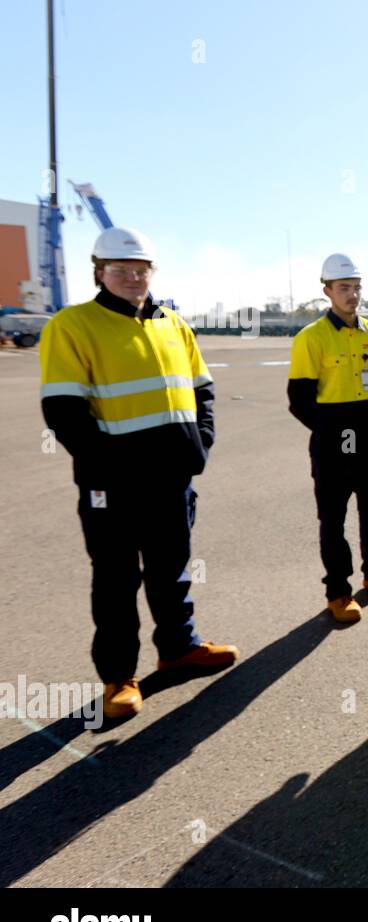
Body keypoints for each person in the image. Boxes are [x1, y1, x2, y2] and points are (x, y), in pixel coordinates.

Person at [40, 227, 238, 720]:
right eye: (121, 270)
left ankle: (178, 649)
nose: (132, 278)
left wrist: (200, 446)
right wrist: (106, 467)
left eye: (140, 270)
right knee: (115, 580)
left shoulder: (173, 324)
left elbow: (202, 391)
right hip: (113, 485)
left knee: (172, 571)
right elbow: (64, 411)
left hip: (172, 479)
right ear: (99, 273)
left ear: (152, 273)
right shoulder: (73, 325)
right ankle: (118, 678)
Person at [288, 253, 368, 624]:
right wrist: (334, 434)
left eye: (356, 288)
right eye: (344, 288)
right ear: (327, 291)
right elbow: (299, 401)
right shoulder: (311, 338)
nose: (352, 295)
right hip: (335, 440)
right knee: (334, 518)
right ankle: (338, 592)